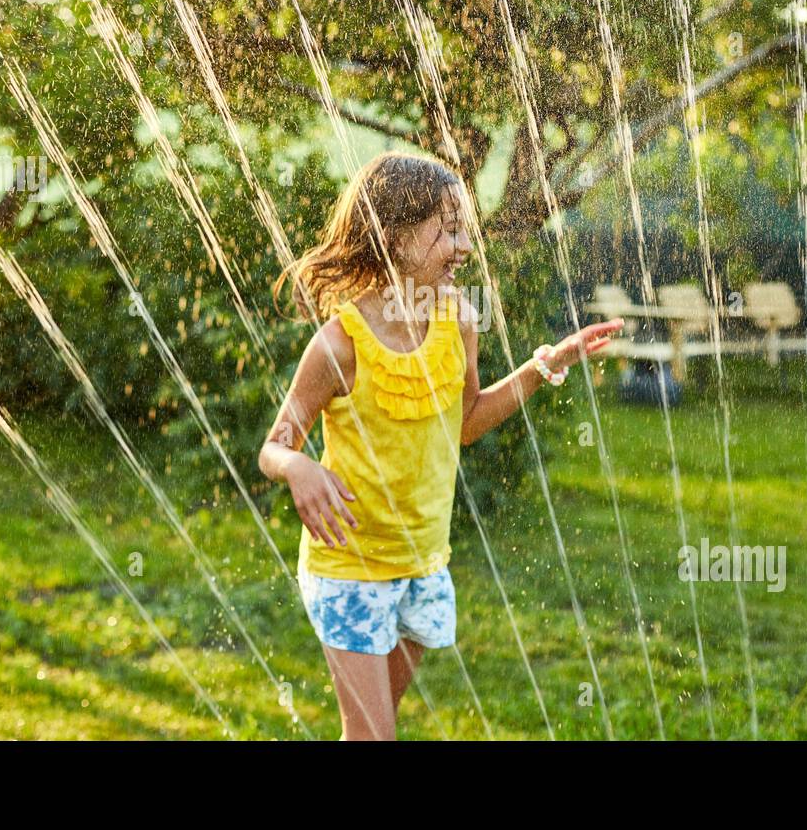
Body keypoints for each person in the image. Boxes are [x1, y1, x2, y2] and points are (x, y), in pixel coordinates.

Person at [259, 151, 622, 740]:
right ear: (395, 237)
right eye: (447, 230)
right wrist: (297, 467)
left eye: (464, 230)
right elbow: (274, 445)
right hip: (349, 568)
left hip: (422, 564)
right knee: (374, 736)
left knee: (372, 730)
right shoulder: (340, 344)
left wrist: (539, 368)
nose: (463, 247)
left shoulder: (458, 320)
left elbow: (464, 421)